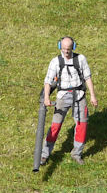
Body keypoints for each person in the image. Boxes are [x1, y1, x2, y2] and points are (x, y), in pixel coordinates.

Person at [41, 37, 98, 165]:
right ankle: (44, 154)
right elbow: (48, 81)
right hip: (62, 97)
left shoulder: (81, 59)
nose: (66, 52)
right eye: (64, 49)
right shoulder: (55, 62)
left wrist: (93, 96)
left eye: (68, 49)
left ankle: (77, 154)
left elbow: (88, 78)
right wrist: (46, 98)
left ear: (73, 47)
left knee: (82, 125)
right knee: (55, 126)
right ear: (60, 46)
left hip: (79, 95)